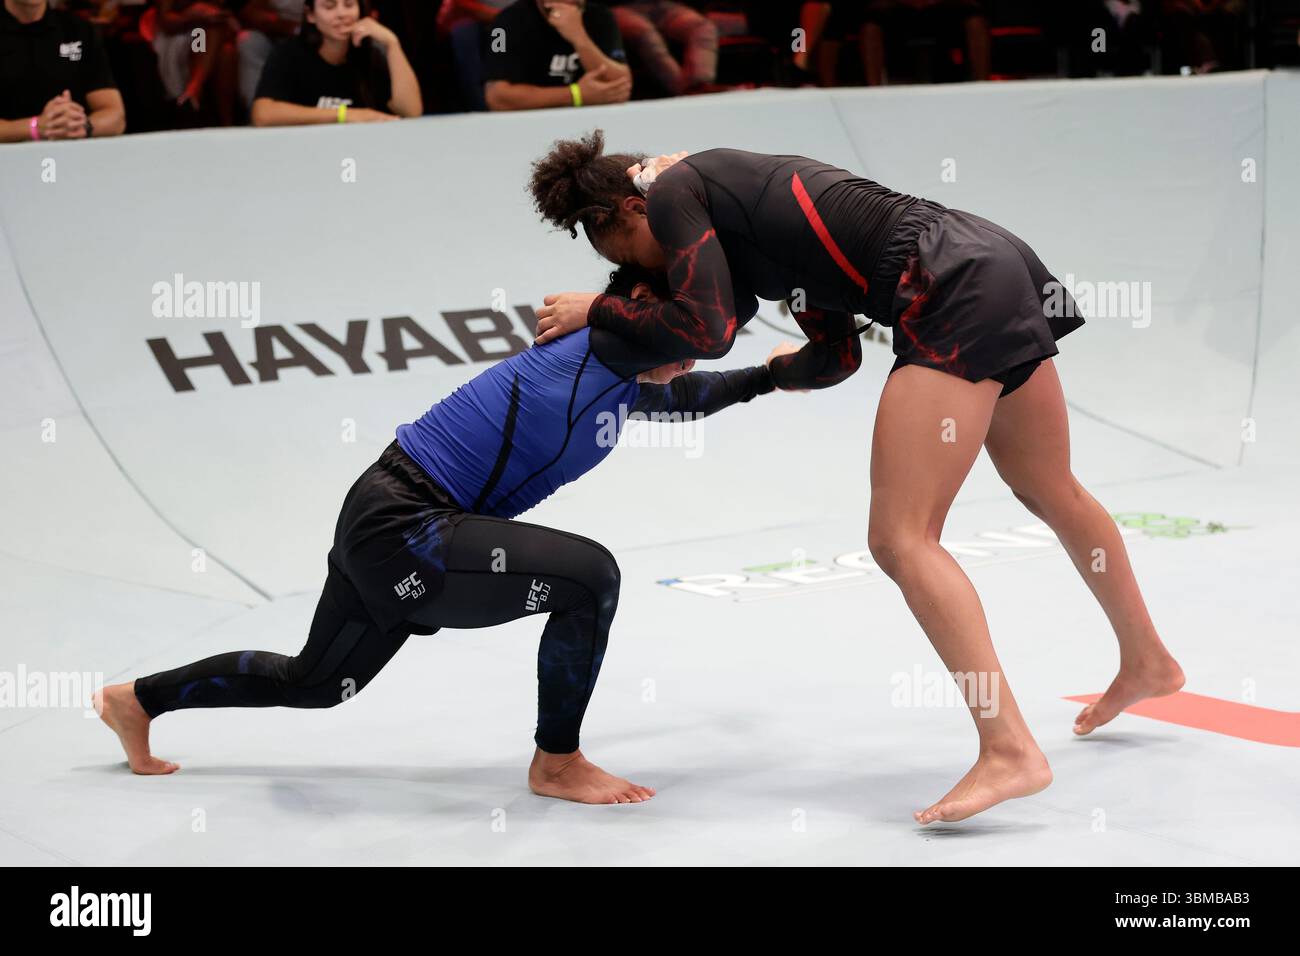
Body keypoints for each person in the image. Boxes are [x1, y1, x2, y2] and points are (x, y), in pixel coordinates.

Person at [528, 132, 1185, 824]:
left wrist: (594, 309)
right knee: (1050, 486)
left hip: (949, 285)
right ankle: (1148, 660)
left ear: (627, 213)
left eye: (634, 258)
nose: (659, 273)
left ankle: (1009, 748)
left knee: (902, 539)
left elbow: (708, 324)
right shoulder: (743, 218)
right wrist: (773, 374)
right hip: (992, 257)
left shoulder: (668, 194)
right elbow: (836, 357)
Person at [95, 265, 821, 805]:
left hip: (386, 518)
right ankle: (557, 763)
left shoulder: (618, 378)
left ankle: (138, 699)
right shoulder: (596, 350)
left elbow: (684, 393)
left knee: (316, 683)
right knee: (590, 578)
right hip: (408, 524)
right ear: (638, 314)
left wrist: (771, 375)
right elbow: (696, 317)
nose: (694, 351)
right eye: (683, 331)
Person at [250, 0, 420, 126]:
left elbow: (411, 111)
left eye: (349, 5)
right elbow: (262, 114)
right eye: (329, 6)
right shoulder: (289, 53)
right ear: (310, 15)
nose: (341, 14)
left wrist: (392, 44)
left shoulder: (369, 53)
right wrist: (344, 115)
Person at [0, 0, 126, 141]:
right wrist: (35, 127)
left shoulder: (78, 30)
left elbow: (116, 117)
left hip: (72, 157)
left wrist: (81, 126)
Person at [481, 0, 631, 111]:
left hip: (588, 121)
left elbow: (621, 86)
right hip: (530, 123)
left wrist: (579, 37)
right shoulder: (503, 25)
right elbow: (497, 97)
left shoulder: (600, 15)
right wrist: (576, 94)